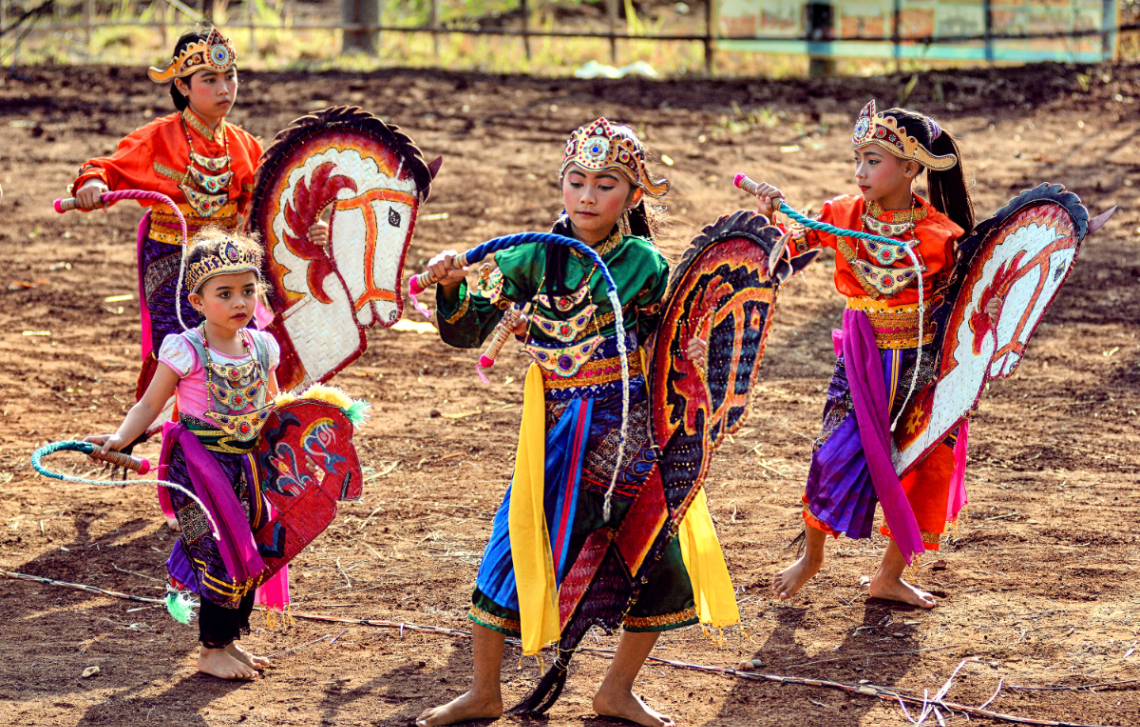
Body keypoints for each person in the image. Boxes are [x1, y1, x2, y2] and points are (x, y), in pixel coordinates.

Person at [415, 118, 736, 727]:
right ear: (561, 184)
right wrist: (454, 287)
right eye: (576, 180)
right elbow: (466, 332)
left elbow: (667, 341)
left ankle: (616, 689)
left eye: (606, 184)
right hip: (557, 432)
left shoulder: (643, 263)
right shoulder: (533, 256)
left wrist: (693, 351)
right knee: (510, 554)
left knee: (657, 558)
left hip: (631, 433)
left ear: (633, 197)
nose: (587, 196)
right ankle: (484, 691)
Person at [752, 101, 977, 609]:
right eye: (857, 158)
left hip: (923, 366)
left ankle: (888, 577)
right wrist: (774, 217)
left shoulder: (942, 235)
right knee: (833, 453)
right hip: (862, 358)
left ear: (911, 167)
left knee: (924, 463)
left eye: (873, 160)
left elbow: (968, 310)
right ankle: (810, 558)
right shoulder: (842, 214)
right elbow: (787, 251)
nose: (860, 171)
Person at [67, 25, 326, 397]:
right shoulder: (158, 138)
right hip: (171, 262)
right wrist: (93, 185)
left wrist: (308, 226)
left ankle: (242, 431)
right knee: (183, 357)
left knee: (241, 351)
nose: (224, 89)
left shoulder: (245, 146)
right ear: (183, 87)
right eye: (210, 79)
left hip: (227, 264)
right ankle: (180, 435)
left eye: (230, 77)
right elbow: (104, 168)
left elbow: (272, 208)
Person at [86, 228, 284, 680]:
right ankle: (210, 649)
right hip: (198, 469)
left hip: (248, 467)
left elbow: (273, 405)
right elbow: (150, 405)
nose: (240, 302)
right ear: (196, 301)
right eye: (225, 293)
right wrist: (121, 438)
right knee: (218, 550)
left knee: (249, 548)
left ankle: (227, 641)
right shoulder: (185, 348)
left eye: (248, 291)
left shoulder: (263, 347)